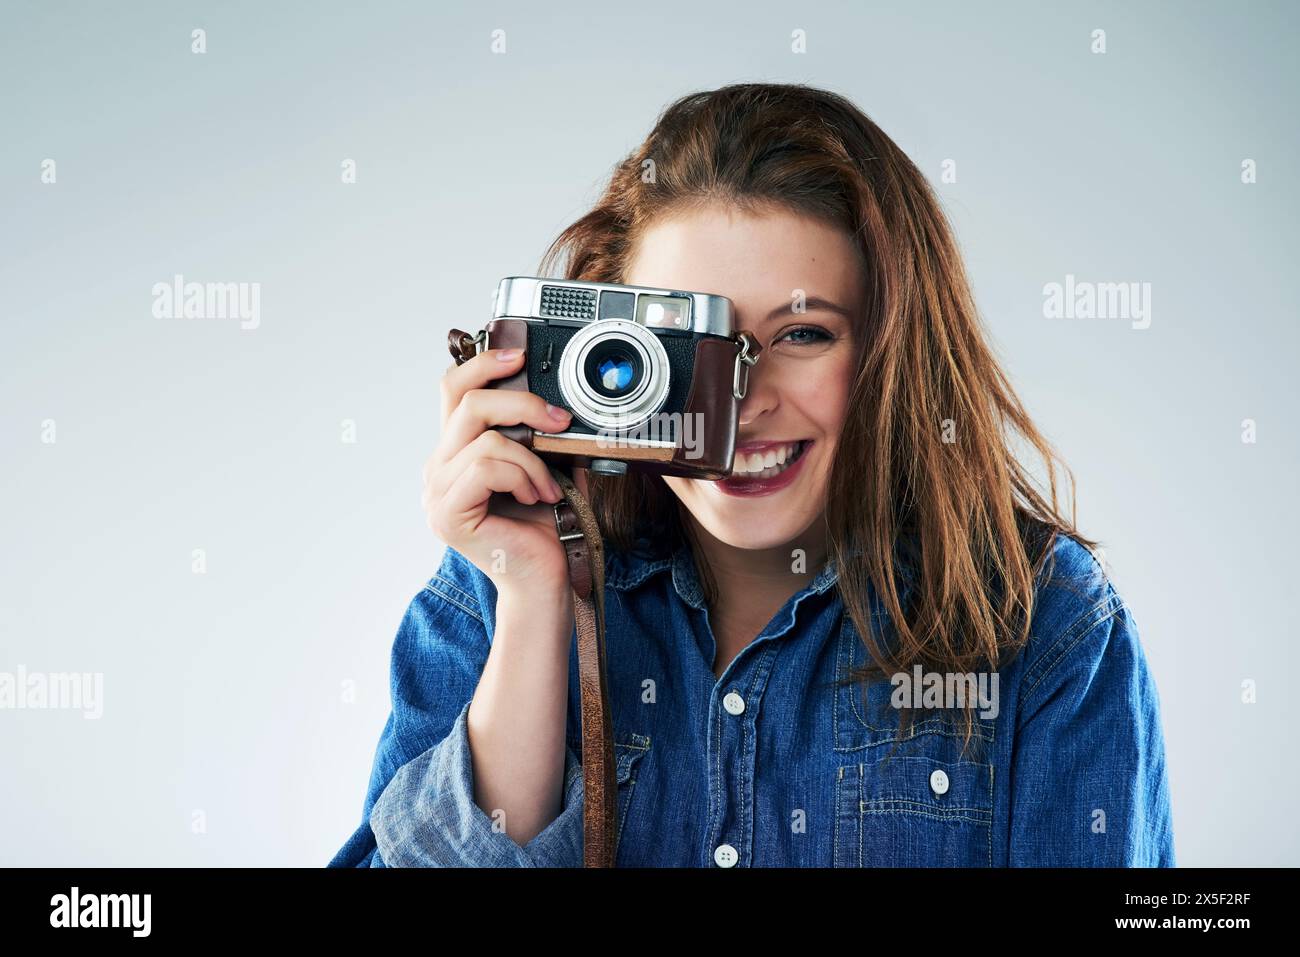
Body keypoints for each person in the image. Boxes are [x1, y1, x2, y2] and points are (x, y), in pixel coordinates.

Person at [328, 82, 1175, 868]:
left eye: (803, 334)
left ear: (891, 352)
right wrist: (534, 605)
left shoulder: (1045, 622)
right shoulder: (493, 588)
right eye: (692, 347)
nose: (742, 402)